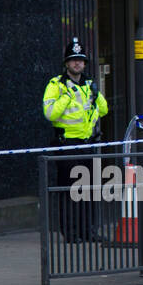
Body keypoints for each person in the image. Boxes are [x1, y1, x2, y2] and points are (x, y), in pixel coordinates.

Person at [43, 38, 108, 242]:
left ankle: (88, 231)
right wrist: (67, 96)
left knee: (88, 191)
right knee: (70, 191)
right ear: (66, 63)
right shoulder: (56, 85)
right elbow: (50, 113)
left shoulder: (90, 85)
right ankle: (70, 233)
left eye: (80, 60)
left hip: (88, 144)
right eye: (73, 60)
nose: (77, 63)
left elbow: (104, 110)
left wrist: (96, 95)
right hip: (67, 145)